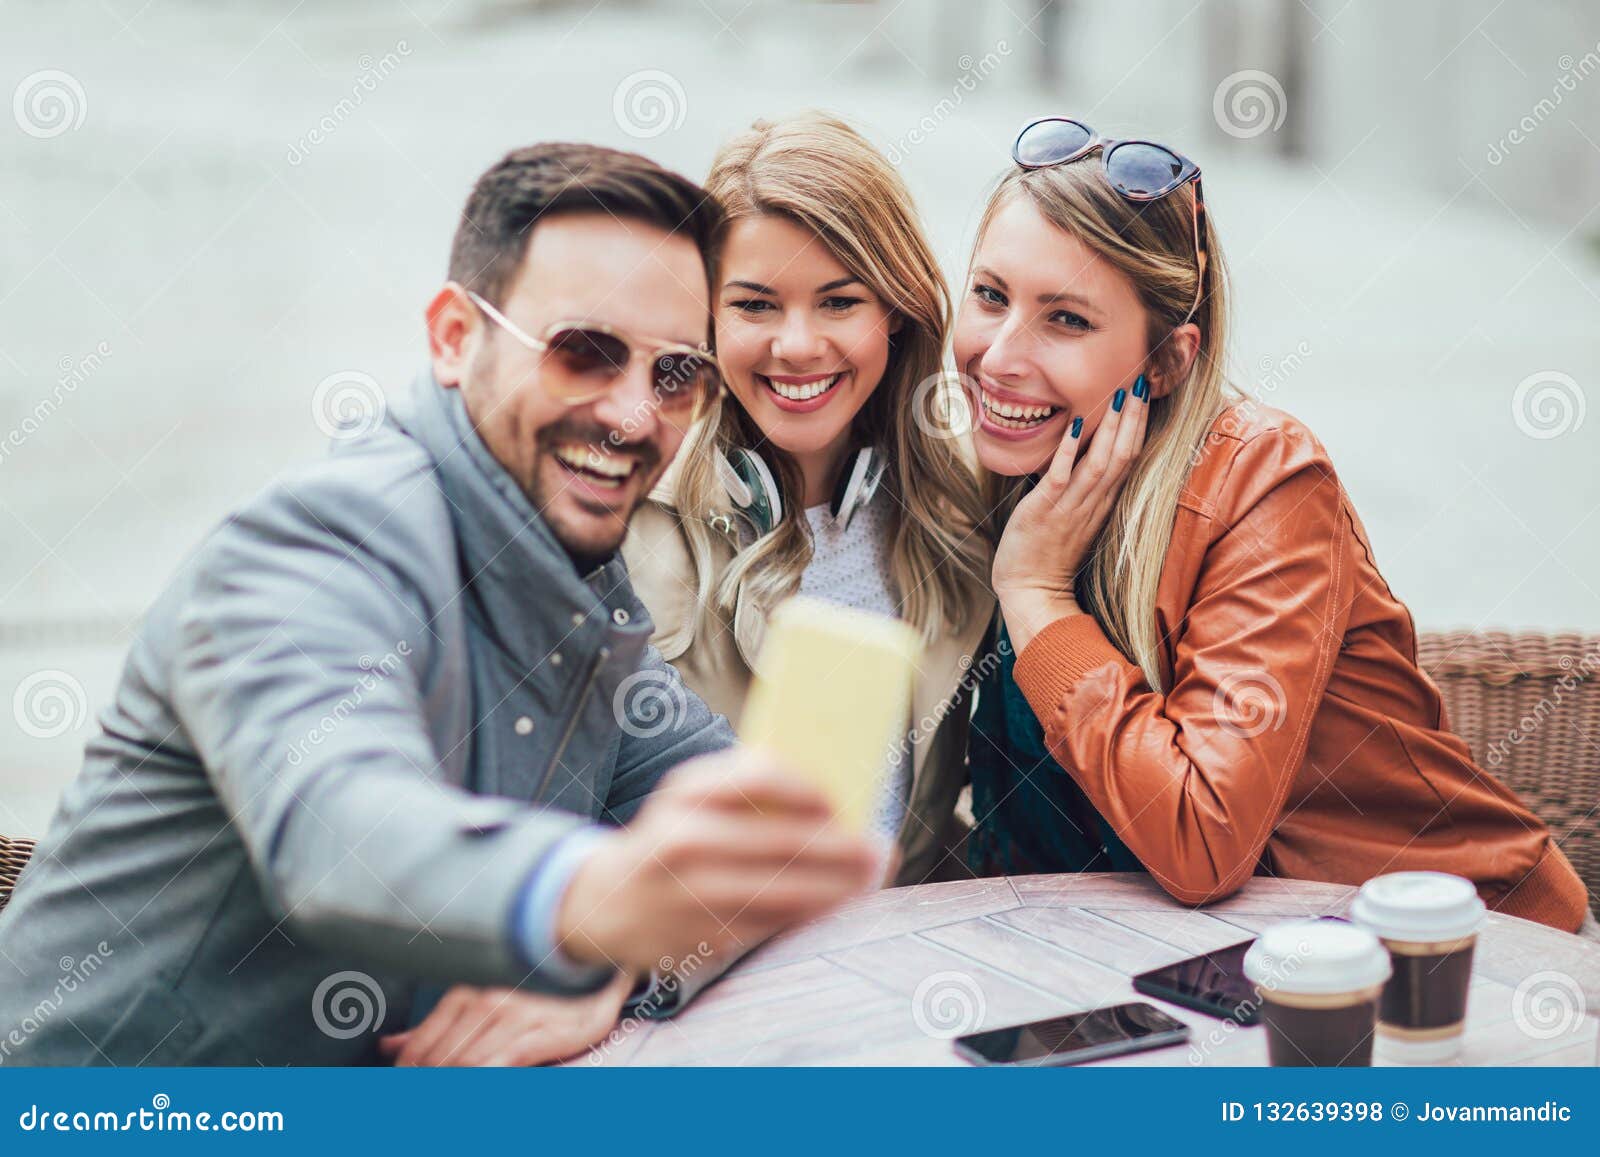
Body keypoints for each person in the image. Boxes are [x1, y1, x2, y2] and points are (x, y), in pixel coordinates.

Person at [0, 142, 882, 1066]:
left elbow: (770, 845)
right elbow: (339, 830)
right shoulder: (322, 544)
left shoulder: (580, 578)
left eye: (674, 375)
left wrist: (614, 969)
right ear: (455, 337)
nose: (633, 415)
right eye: (585, 351)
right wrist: (585, 901)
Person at [957, 116, 1590, 931]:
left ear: (1167, 362)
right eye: (990, 295)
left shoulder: (1266, 481)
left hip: (1452, 962)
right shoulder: (1003, 461)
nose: (1000, 356)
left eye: (1066, 319)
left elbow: (1200, 839)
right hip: (1165, 965)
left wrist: (1038, 593)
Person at [625, 113, 993, 885]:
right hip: (710, 981)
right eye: (756, 305)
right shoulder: (632, 531)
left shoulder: (957, 516)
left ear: (895, 309)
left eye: (838, 301)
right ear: (707, 319)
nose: (796, 345)